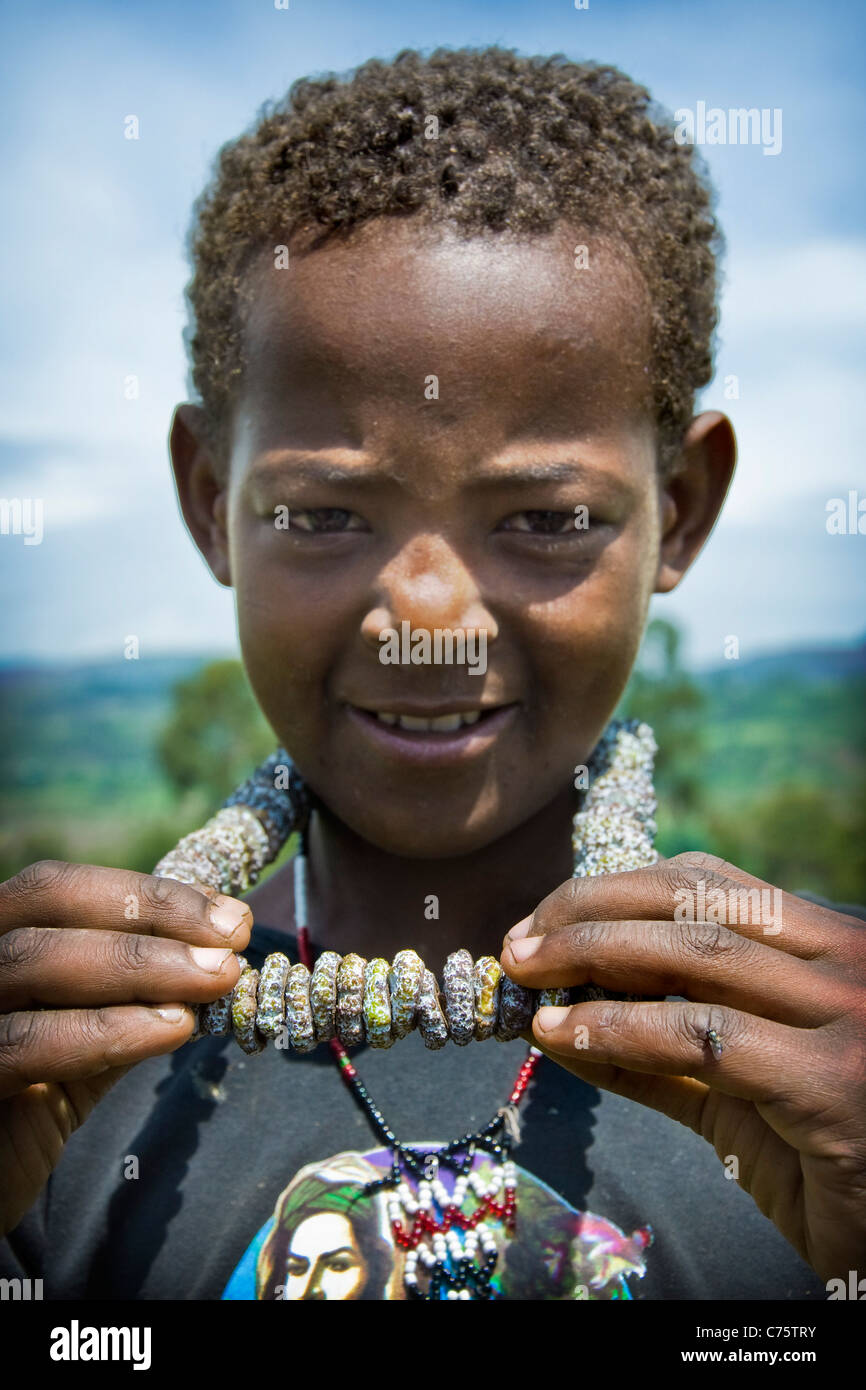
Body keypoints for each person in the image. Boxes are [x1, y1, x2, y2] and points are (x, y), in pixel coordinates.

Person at [1, 46, 863, 1303]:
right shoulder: (55, 1096)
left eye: (547, 517)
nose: (427, 618)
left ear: (677, 508)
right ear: (208, 502)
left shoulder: (817, 1092)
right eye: (320, 512)